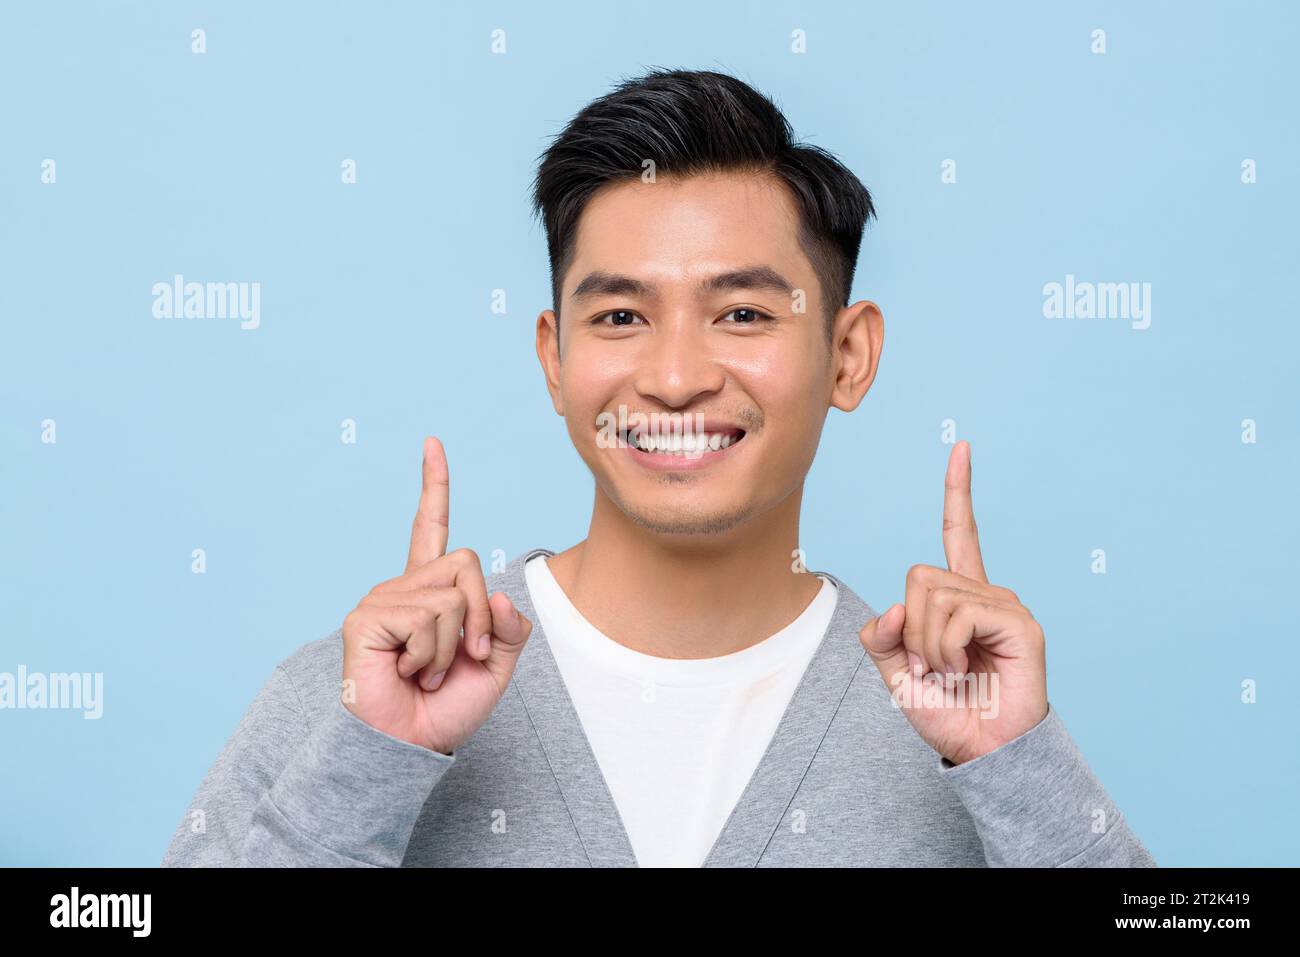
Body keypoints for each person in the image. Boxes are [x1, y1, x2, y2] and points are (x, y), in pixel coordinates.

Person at [162, 68, 1155, 868]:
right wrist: (367, 770)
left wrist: (1022, 774)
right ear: (554, 359)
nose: (675, 376)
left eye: (743, 314)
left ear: (847, 357)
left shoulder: (967, 722)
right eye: (621, 317)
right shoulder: (352, 699)